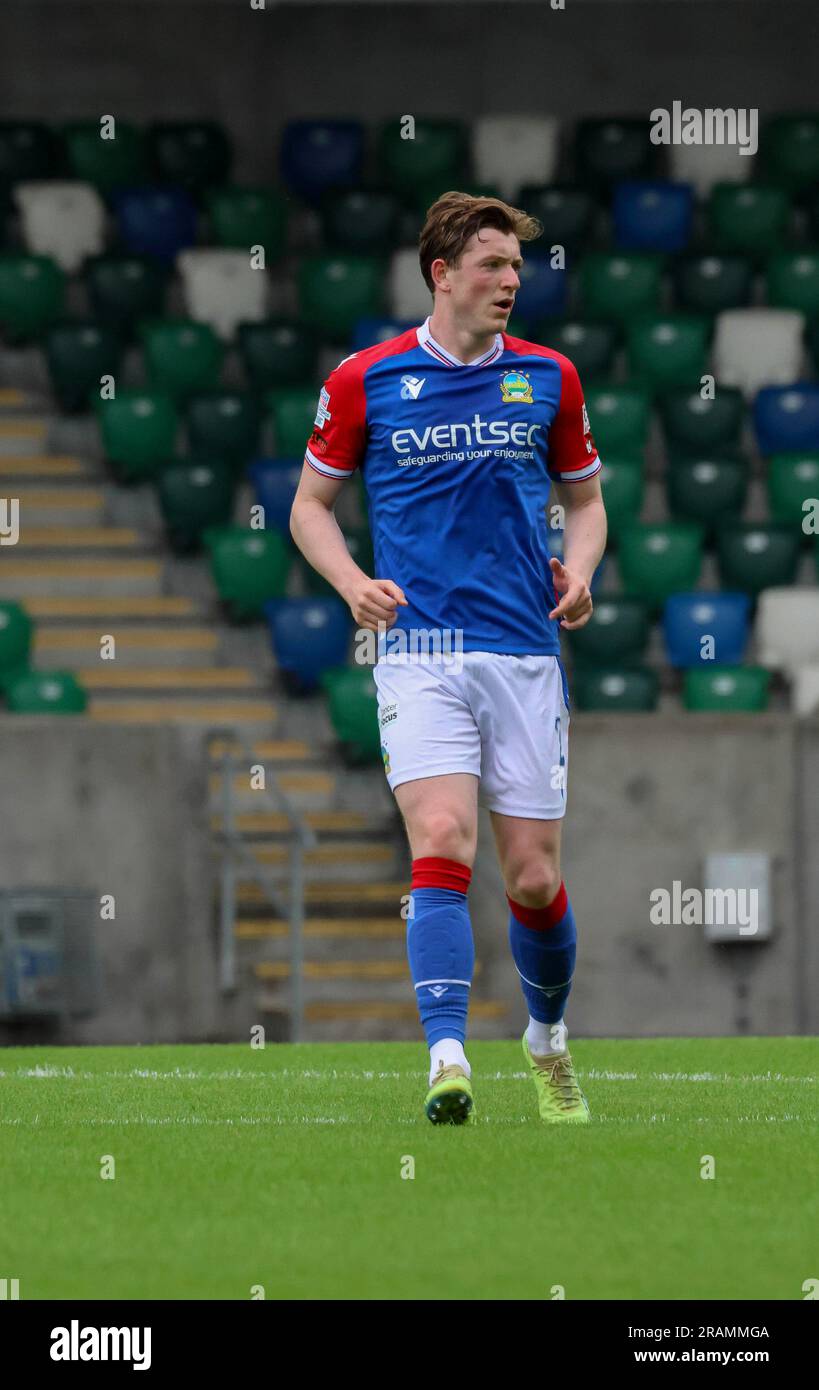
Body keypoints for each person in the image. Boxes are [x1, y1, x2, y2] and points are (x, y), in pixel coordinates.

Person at [290, 191, 607, 1125]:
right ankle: (444, 1058)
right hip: (418, 651)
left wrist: (580, 575)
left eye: (517, 267)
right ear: (442, 273)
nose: (512, 281)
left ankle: (546, 1044)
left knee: (533, 880)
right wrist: (352, 584)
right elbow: (310, 504)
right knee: (440, 844)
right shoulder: (366, 379)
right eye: (493, 266)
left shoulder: (550, 377)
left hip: (522, 648)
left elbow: (584, 503)